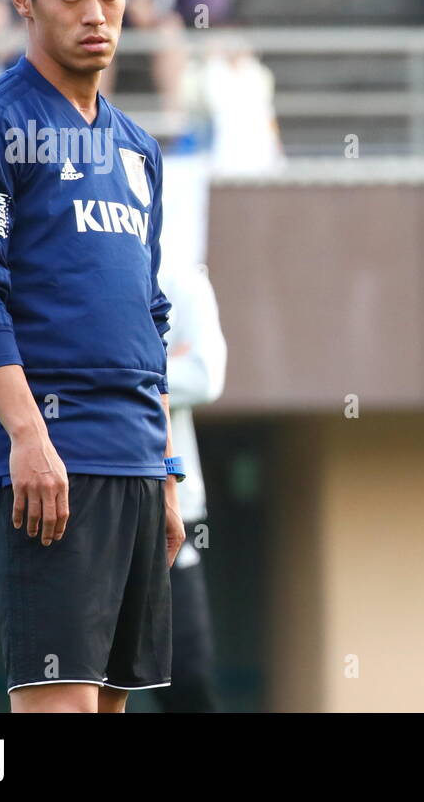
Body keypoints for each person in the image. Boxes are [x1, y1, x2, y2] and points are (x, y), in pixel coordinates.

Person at [0, 0, 183, 713]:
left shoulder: (139, 148)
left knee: (109, 708)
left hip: (136, 459)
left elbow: (151, 314)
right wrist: (29, 437)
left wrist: (169, 471)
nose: (94, 13)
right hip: (50, 454)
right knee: (60, 709)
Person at [153, 263, 227, 713]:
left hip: (172, 513)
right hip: (86, 502)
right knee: (83, 678)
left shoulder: (181, 279)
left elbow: (203, 377)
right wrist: (159, 366)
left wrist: (124, 371)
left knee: (187, 678)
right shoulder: (66, 255)